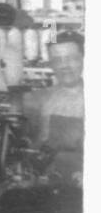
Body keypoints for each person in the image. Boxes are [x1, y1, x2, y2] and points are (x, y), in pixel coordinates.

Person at [20, 31, 84, 182]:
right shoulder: (38, 99)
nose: (64, 66)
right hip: (45, 183)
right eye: (57, 60)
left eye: (71, 58)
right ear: (50, 64)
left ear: (84, 58)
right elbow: (28, 147)